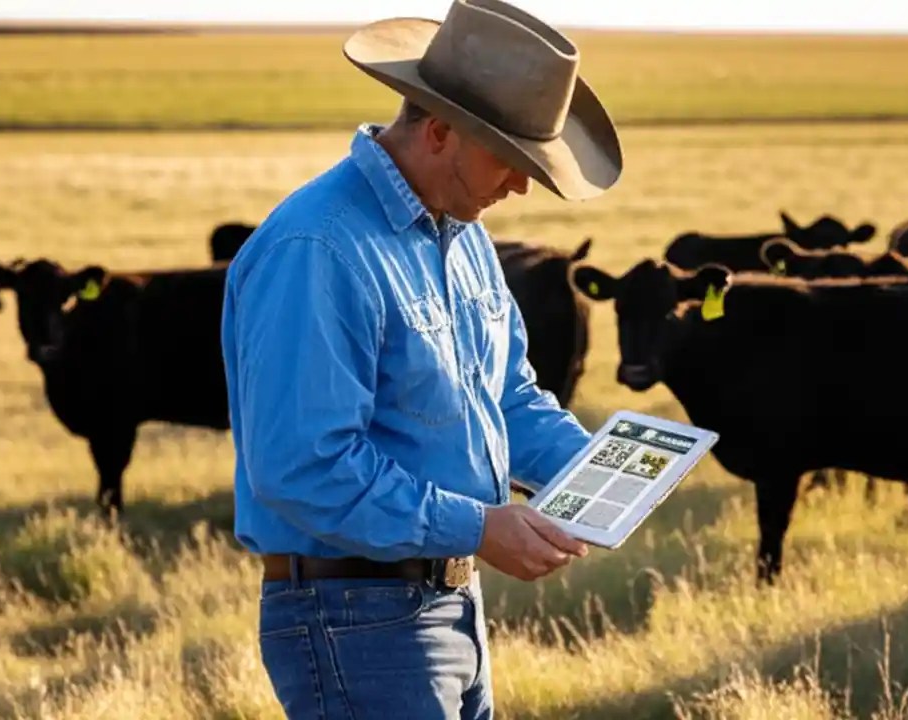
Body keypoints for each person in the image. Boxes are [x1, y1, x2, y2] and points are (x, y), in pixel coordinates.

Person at [218, 0, 623, 718]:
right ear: (440, 132)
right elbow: (304, 465)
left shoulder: (462, 238)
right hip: (352, 616)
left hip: (447, 602)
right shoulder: (317, 248)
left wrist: (601, 473)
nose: (523, 185)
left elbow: (507, 397)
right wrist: (478, 527)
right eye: (512, 160)